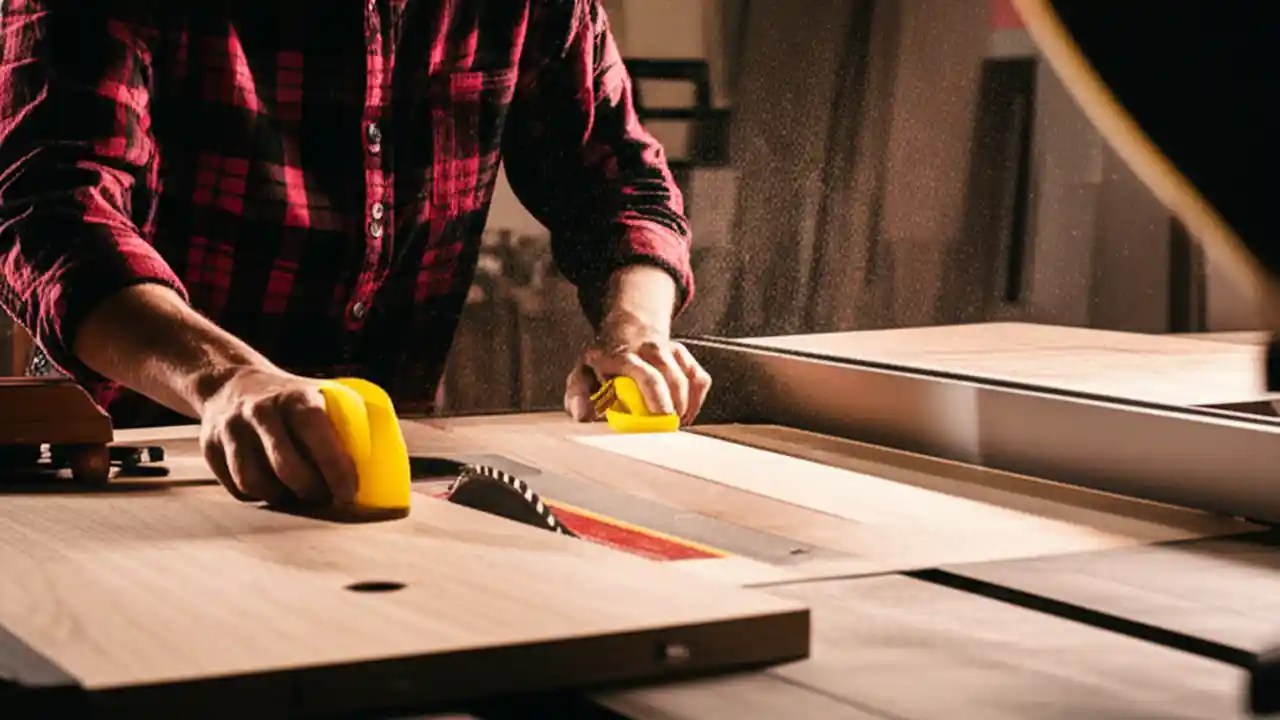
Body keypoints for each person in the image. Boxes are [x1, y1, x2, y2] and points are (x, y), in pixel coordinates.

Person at [0, 1, 711, 506]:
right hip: (129, 459)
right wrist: (227, 381)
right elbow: (49, 209)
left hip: (383, 465)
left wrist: (636, 335)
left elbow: (618, 184)